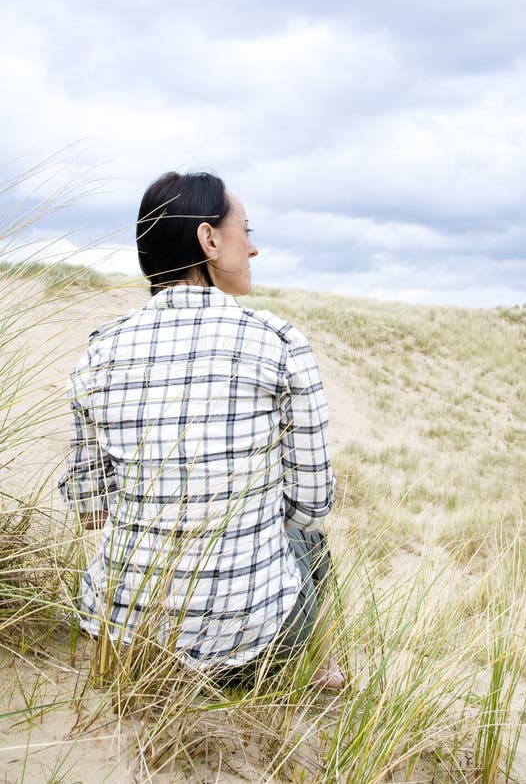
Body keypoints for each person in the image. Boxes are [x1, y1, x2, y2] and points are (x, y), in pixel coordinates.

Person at [58, 171, 342, 687]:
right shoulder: (277, 342)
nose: (252, 249)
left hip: (122, 636)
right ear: (209, 240)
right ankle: (319, 671)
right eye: (245, 231)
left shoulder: (98, 351)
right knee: (312, 545)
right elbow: (312, 503)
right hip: (245, 642)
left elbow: (92, 509)